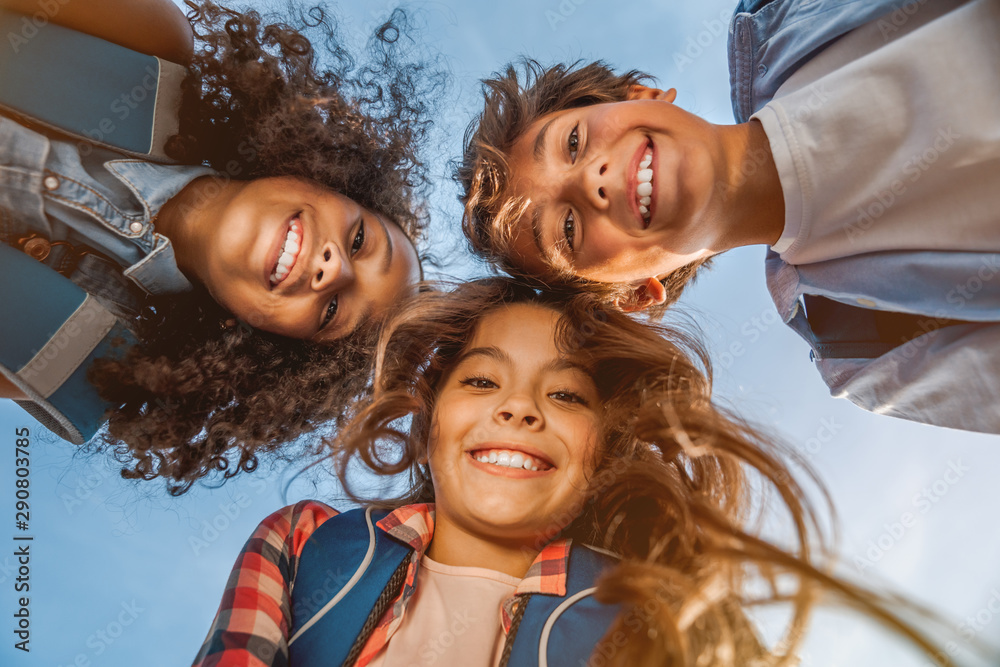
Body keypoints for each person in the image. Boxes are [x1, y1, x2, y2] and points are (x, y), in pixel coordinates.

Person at [191, 278, 951, 667]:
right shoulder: (305, 544)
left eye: (564, 394)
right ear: (429, 421)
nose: (520, 408)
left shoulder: (652, 609)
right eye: (483, 381)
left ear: (604, 447)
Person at [455, 0, 1000, 434]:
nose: (590, 180)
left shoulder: (793, 10)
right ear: (635, 295)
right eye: (567, 230)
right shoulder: (868, 354)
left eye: (573, 142)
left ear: (639, 95)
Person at [0, 0, 438, 492]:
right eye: (360, 240)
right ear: (327, 175)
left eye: (333, 309)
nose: (333, 270)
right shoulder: (152, 52)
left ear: (263, 338)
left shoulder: (80, 361)